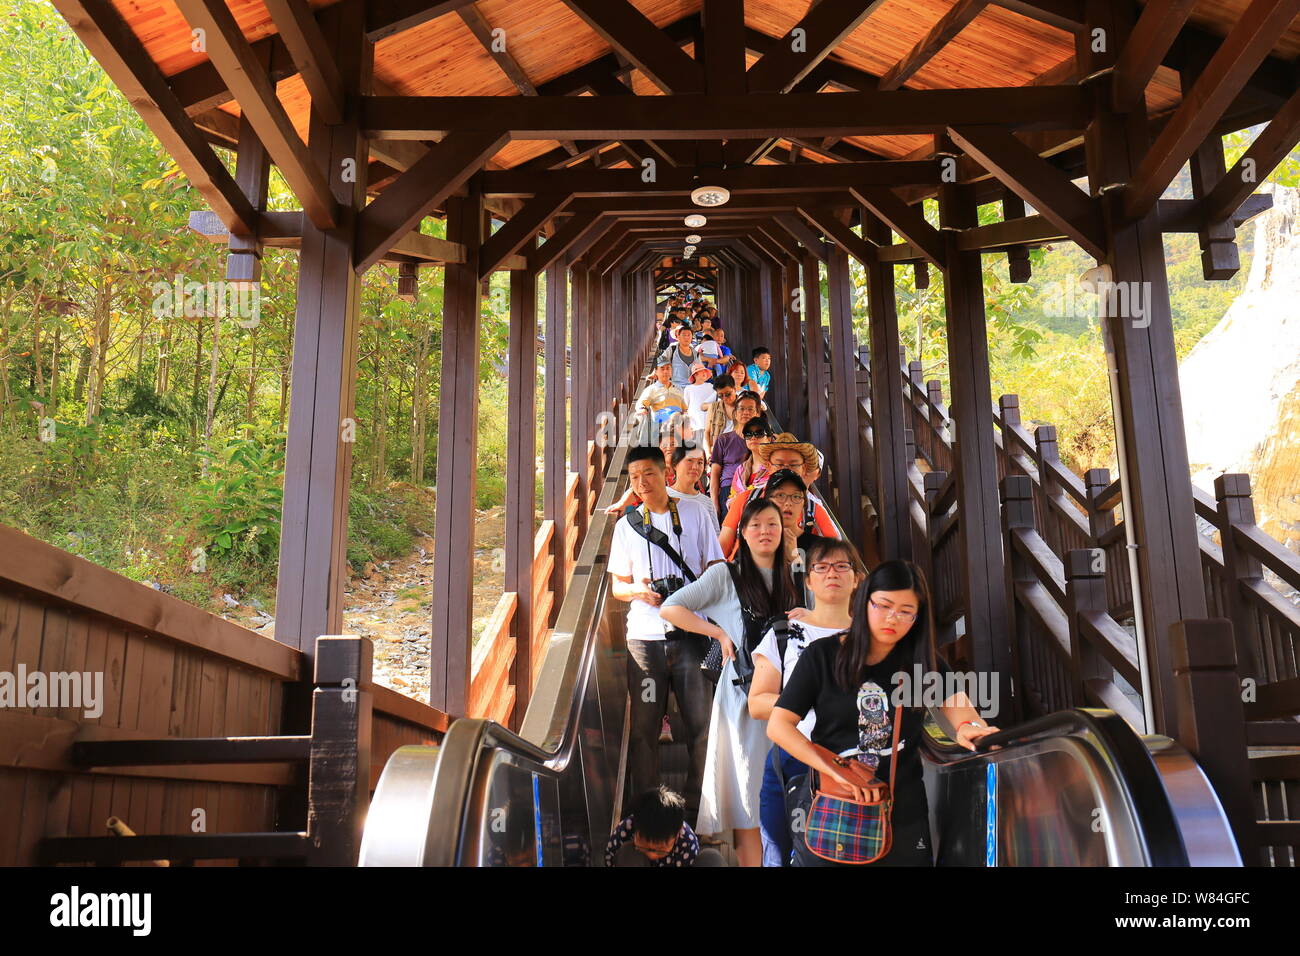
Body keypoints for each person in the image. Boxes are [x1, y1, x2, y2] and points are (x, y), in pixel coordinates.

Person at [768, 560, 1001, 866]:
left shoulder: (922, 663)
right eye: (884, 605)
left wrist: (971, 727)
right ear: (865, 601)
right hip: (835, 805)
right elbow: (779, 725)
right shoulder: (823, 656)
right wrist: (833, 768)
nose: (893, 617)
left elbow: (963, 713)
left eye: (906, 611)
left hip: (902, 816)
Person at [660, 498, 797, 867]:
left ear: (784, 530)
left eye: (772, 524)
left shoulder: (798, 573)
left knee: (795, 793)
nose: (765, 531)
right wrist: (718, 633)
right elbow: (671, 607)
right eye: (755, 525)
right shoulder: (725, 575)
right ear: (743, 533)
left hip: (796, 699)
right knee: (748, 797)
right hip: (743, 699)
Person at [608, 446, 724, 826]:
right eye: (635, 476)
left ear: (666, 474)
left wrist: (690, 596)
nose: (642, 483)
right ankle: (648, 809)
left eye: (649, 474)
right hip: (645, 640)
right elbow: (617, 588)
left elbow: (716, 568)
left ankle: (695, 807)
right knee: (643, 729)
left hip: (690, 634)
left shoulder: (694, 512)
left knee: (700, 724)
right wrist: (639, 591)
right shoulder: (627, 525)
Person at [748, 535, 866, 866]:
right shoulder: (784, 633)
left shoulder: (871, 639)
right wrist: (808, 701)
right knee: (780, 855)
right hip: (792, 761)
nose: (832, 573)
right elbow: (757, 703)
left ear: (857, 578)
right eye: (822, 567)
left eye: (843, 566)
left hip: (853, 764)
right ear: (809, 580)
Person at [719, 437, 839, 559]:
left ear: (804, 469)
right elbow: (722, 548)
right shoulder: (745, 499)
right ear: (769, 467)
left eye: (793, 464)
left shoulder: (812, 508)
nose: (786, 469)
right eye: (779, 464)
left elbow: (836, 552)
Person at [605, 445, 720, 535]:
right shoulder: (660, 492)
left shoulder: (707, 503)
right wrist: (621, 504)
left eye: (700, 462)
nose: (695, 467)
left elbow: (715, 539)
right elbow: (635, 491)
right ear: (675, 464)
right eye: (690, 460)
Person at [606, 786, 713, 867]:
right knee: (627, 852)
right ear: (636, 826)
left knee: (711, 857)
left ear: (676, 835)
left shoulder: (688, 842)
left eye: (661, 849)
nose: (651, 856)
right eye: (643, 846)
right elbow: (610, 859)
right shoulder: (625, 828)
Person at [709, 393, 764, 521]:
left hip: (756, 489)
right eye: (741, 408)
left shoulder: (764, 439)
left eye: (750, 409)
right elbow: (715, 475)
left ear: (758, 413)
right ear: (735, 413)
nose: (746, 412)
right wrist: (715, 504)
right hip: (728, 491)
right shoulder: (723, 439)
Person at [681, 361, 715, 445]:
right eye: (701, 371)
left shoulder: (711, 386)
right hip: (695, 422)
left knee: (709, 446)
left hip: (709, 421)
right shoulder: (688, 389)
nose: (704, 373)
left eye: (705, 371)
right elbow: (685, 406)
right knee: (697, 446)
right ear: (695, 374)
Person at [702, 376, 738, 455]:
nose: (724, 398)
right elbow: (706, 433)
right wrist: (708, 454)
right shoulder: (714, 408)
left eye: (728, 394)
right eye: (720, 396)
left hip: (738, 453)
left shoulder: (744, 406)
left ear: (735, 389)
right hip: (718, 453)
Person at [658, 324, 697, 389]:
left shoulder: (694, 352)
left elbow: (699, 368)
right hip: (676, 386)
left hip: (692, 387)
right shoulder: (672, 348)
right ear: (678, 336)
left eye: (688, 335)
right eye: (683, 335)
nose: (686, 337)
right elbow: (660, 361)